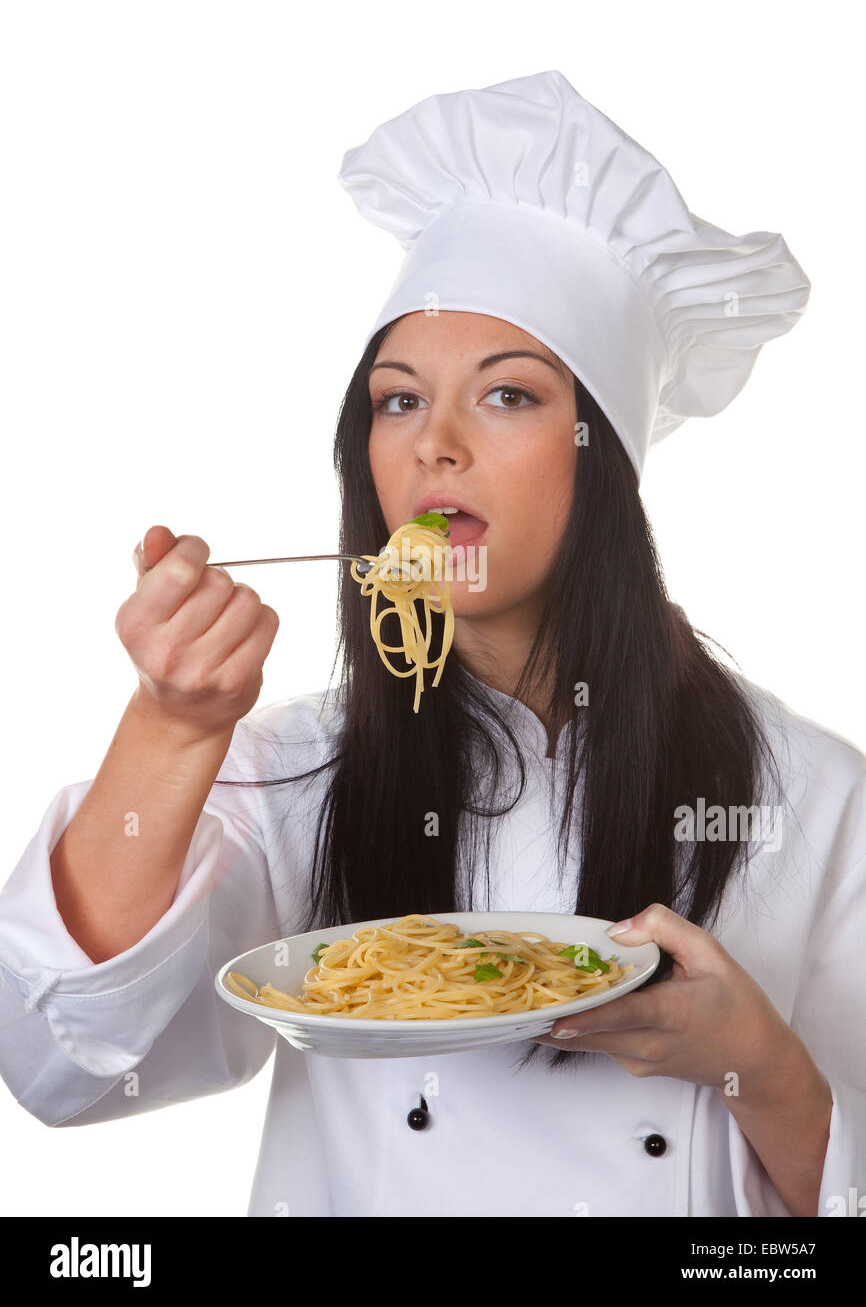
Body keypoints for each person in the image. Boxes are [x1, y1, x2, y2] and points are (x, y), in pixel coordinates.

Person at [1, 73, 864, 1218]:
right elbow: (63, 1061)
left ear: (598, 455)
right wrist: (170, 727)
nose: (434, 447)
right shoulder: (298, 769)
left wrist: (752, 1059)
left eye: (505, 396)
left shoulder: (805, 792)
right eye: (396, 401)